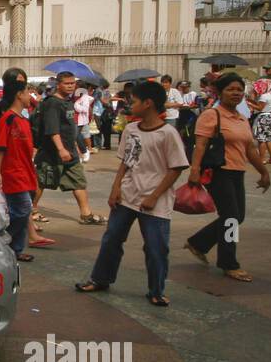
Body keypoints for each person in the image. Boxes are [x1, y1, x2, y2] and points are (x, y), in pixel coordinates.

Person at [75, 81, 189, 306]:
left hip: (155, 202)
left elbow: (176, 168)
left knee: (156, 248)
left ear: (148, 104)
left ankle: (156, 290)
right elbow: (125, 162)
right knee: (111, 239)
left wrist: (154, 196)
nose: (129, 104)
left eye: (133, 101)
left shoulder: (168, 133)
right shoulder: (130, 129)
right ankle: (100, 278)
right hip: (127, 196)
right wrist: (115, 188)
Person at [184, 73, 271, 281]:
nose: (236, 93)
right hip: (218, 172)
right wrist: (194, 170)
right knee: (231, 217)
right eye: (231, 89)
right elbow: (201, 144)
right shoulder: (212, 115)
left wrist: (264, 171)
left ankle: (198, 243)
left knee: (236, 216)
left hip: (237, 172)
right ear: (220, 92)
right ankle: (228, 262)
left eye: (239, 90)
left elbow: (250, 148)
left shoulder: (242, 118)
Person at [34, 71, 106, 225]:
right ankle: (31, 211)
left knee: (78, 181)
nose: (70, 86)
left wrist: (75, 148)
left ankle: (86, 214)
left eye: (72, 83)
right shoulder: (53, 103)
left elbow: (69, 129)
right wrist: (61, 149)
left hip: (70, 152)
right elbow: (52, 129)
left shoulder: (68, 102)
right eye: (67, 83)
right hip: (51, 152)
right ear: (58, 84)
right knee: (42, 181)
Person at [0, 76, 38, 263]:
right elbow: (0, 147)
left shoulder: (23, 120)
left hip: (26, 172)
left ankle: (16, 249)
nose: (30, 96)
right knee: (23, 209)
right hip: (13, 173)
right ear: (19, 95)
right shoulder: (7, 119)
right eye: (27, 92)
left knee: (23, 211)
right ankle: (3, 240)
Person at [250, 78, 271, 164]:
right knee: (268, 139)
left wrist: (250, 104)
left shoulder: (264, 96)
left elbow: (260, 108)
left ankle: (262, 159)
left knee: (261, 140)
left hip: (263, 117)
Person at [74, 86, 94, 160]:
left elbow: (84, 109)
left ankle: (85, 151)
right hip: (73, 119)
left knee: (77, 136)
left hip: (80, 120)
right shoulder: (73, 96)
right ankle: (80, 155)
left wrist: (76, 105)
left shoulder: (85, 97)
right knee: (76, 137)